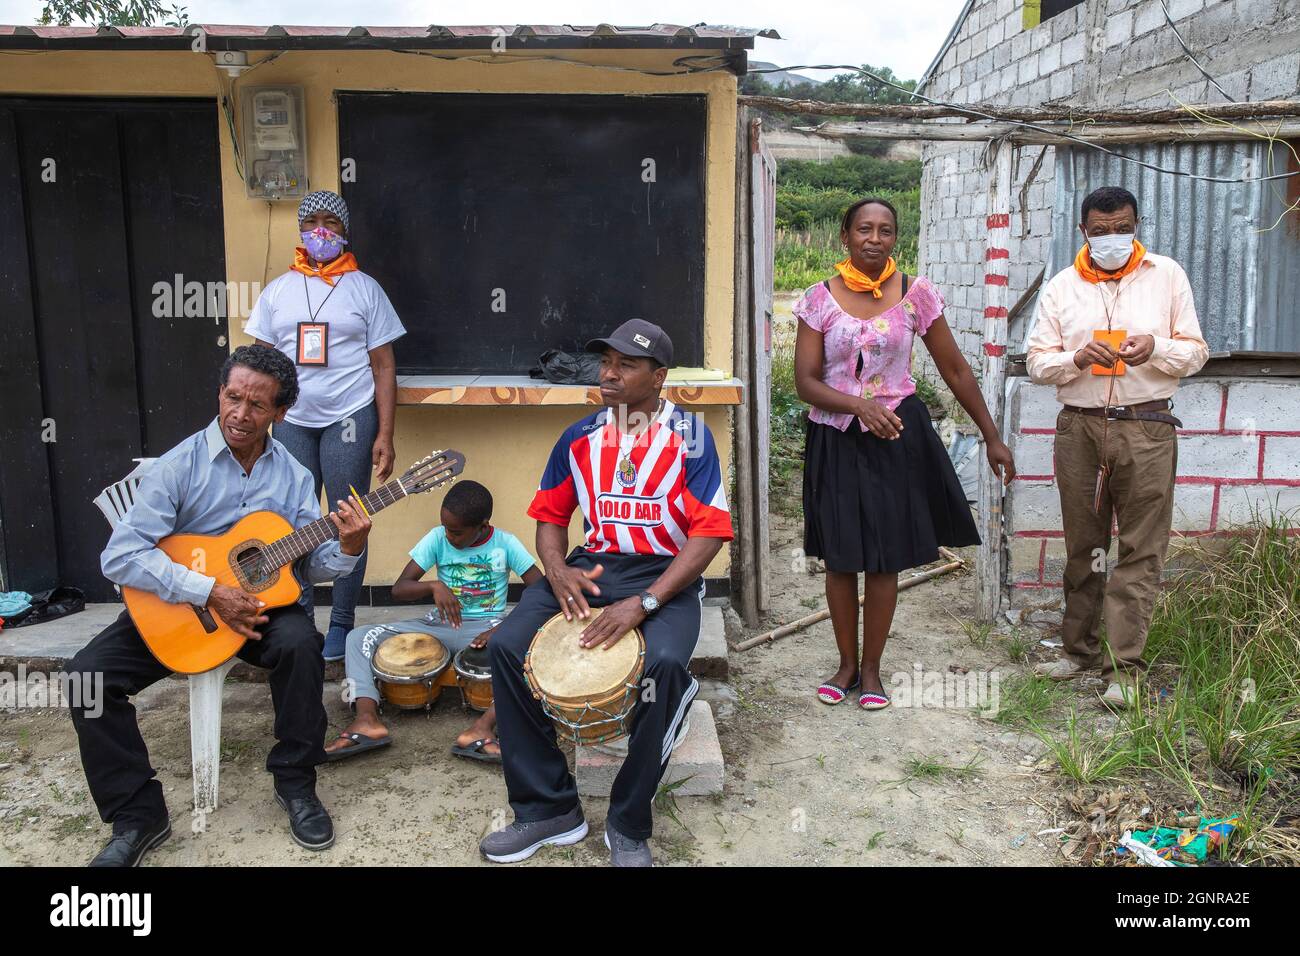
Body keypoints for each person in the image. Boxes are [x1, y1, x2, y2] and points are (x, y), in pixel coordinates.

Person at [68, 345, 373, 866]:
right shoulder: (178, 466)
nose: (240, 413)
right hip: (178, 607)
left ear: (280, 413)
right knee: (87, 679)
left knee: (302, 643)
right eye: (233, 397)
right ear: (220, 393)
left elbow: (308, 567)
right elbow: (120, 555)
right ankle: (138, 816)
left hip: (260, 612)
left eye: (257, 405)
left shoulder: (294, 476)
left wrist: (347, 547)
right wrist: (206, 591)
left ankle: (296, 784)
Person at [479, 319, 732, 867]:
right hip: (589, 569)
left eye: (627, 365)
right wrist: (557, 570)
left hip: (664, 575)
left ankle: (627, 824)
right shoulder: (579, 436)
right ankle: (549, 810)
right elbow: (550, 519)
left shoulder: (690, 438)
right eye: (606, 362)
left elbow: (709, 533)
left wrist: (643, 604)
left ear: (659, 377)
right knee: (506, 646)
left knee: (663, 665)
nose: (609, 373)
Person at [793, 197, 1016, 711]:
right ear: (845, 236)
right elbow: (805, 381)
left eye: (886, 230)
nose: (875, 239)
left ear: (896, 237)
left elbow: (955, 369)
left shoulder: (916, 295)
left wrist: (991, 435)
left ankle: (872, 671)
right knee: (841, 555)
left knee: (886, 557)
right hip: (835, 436)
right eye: (864, 229)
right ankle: (845, 664)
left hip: (897, 437)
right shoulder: (818, 299)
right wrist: (857, 405)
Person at [1027, 186, 1207, 708]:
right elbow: (1038, 361)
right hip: (1079, 427)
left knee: (1139, 549)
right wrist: (1076, 359)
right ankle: (1077, 650)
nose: (1112, 238)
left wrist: (1157, 348)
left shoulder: (1166, 276)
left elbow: (1196, 352)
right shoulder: (1062, 287)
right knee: (1085, 545)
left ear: (1137, 225)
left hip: (1146, 426)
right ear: (1083, 231)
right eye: (1101, 230)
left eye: (1122, 227)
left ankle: (1123, 670)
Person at [246, 189, 405, 661]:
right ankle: (297, 618)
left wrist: (385, 433)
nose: (320, 231)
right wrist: (258, 425)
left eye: (330, 223)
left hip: (349, 417)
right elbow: (259, 364)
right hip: (291, 420)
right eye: (311, 221)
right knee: (290, 521)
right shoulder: (278, 291)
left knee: (346, 521)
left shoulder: (365, 288)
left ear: (343, 230)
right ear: (299, 228)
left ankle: (341, 623)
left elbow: (384, 366)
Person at [325, 480, 542, 763]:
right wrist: (434, 586)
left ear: (483, 525)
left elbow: (540, 593)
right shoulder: (437, 538)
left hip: (485, 628)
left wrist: (502, 628)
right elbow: (400, 589)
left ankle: (482, 729)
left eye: (456, 532)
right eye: (445, 528)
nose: (449, 536)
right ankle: (367, 720)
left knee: (533, 654)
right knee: (357, 637)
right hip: (436, 625)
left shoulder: (506, 543)